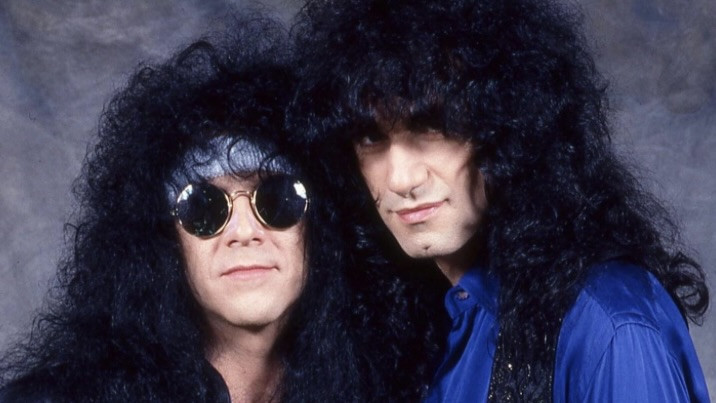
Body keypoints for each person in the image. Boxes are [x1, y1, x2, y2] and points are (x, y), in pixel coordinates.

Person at [0, 15, 439, 402]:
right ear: (164, 241)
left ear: (323, 227)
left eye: (278, 200)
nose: (244, 231)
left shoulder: (392, 390)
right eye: (204, 208)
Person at [289, 0, 711, 401]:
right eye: (370, 138)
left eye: (433, 126)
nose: (401, 179)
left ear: (508, 127)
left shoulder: (609, 324)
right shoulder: (422, 332)